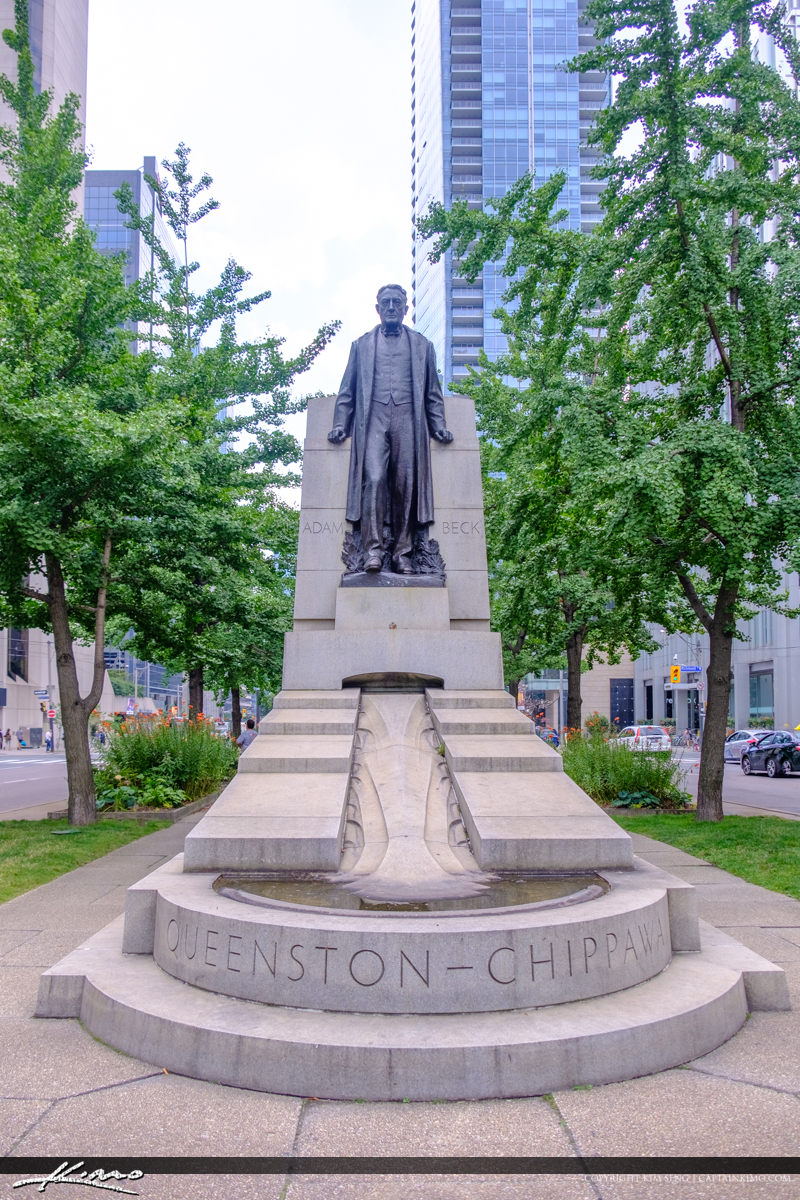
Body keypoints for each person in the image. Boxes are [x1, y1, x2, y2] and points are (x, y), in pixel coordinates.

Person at [328, 284, 453, 574]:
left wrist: (439, 425)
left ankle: (402, 554)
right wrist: (339, 424)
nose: (392, 307)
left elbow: (432, 393)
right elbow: (347, 390)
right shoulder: (361, 345)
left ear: (406, 309)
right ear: (378, 309)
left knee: (406, 485)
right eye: (387, 303)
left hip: (409, 419)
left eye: (398, 302)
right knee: (373, 479)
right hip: (374, 419)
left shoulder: (423, 346)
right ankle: (373, 551)